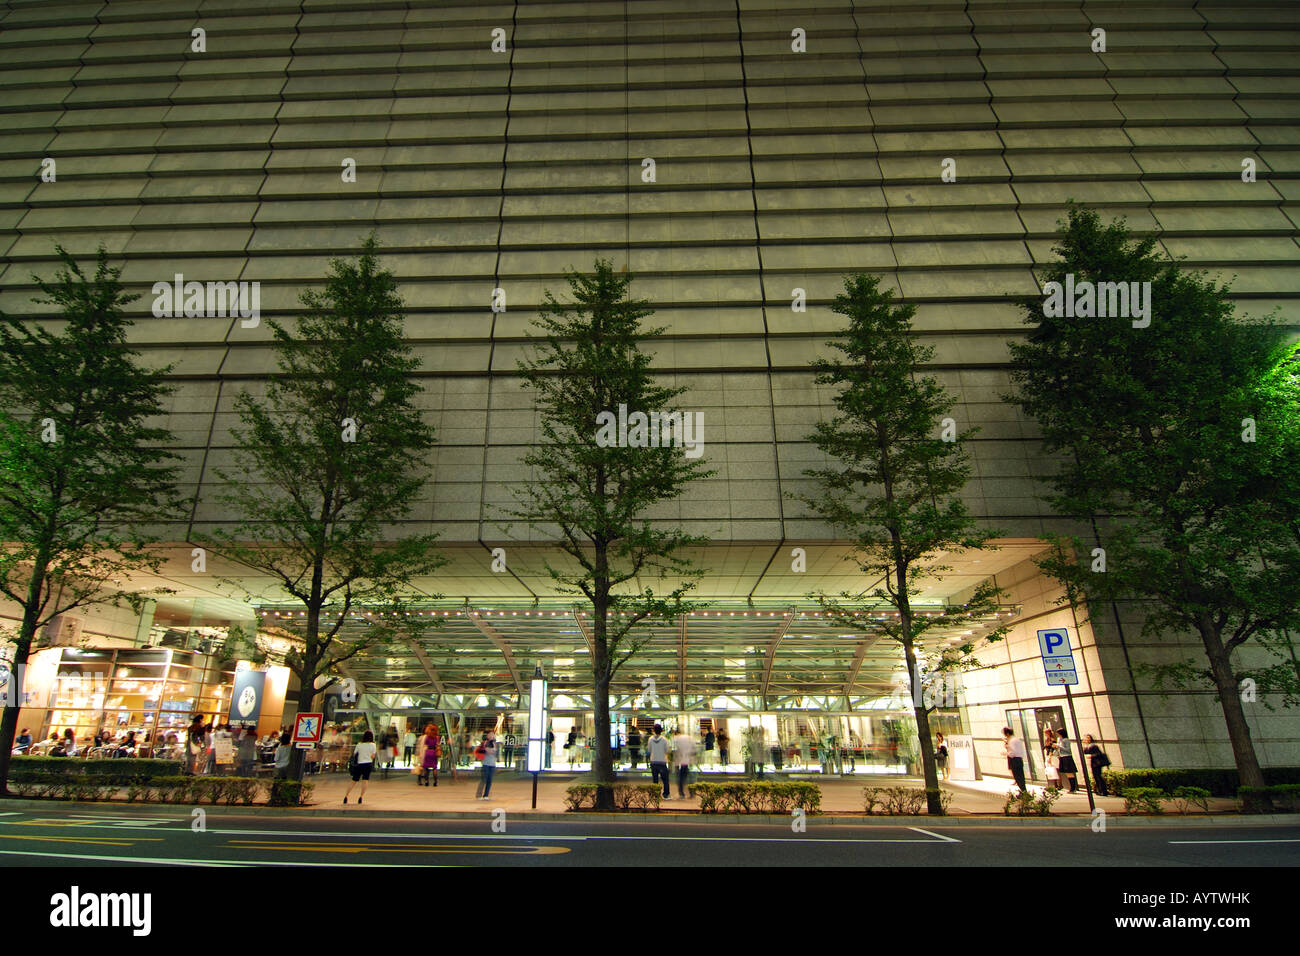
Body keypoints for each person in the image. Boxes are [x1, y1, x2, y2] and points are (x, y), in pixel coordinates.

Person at [344, 730, 377, 804]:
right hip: (368, 764)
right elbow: (373, 756)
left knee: (354, 781)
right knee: (365, 780)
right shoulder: (373, 745)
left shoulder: (359, 744)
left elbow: (355, 754)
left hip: (359, 764)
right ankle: (361, 797)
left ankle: (346, 796)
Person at [645, 724, 671, 798]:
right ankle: (666, 794)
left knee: (655, 779)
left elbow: (649, 750)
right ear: (661, 730)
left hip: (653, 761)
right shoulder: (664, 739)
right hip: (662, 761)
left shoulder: (650, 739)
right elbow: (667, 750)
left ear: (654, 730)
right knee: (665, 779)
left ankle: (655, 793)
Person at [672, 726, 696, 798]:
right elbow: (694, 750)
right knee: (690, 778)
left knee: (680, 778)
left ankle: (681, 793)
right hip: (689, 761)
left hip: (680, 762)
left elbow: (674, 751)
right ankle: (692, 792)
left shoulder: (676, 739)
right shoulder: (689, 738)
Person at [1003, 727, 1027, 792]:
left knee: (1018, 776)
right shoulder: (1016, 739)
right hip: (1019, 759)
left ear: (1007, 733)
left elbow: (1013, 752)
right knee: (1020, 776)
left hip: (1014, 759)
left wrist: (1006, 753)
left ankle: (1024, 791)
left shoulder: (1012, 741)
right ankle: (1023, 791)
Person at [476, 731, 498, 800]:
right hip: (485, 763)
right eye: (490, 735)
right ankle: (479, 795)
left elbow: (495, 752)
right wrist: (488, 750)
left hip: (492, 764)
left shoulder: (495, 744)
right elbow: (484, 750)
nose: (491, 736)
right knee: (483, 779)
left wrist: (489, 750)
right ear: (487, 736)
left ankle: (486, 795)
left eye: (493, 735)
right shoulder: (484, 743)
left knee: (489, 780)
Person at [1055, 728, 1079, 793]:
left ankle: (1073, 788)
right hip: (1062, 757)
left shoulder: (1066, 740)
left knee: (1069, 772)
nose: (1058, 735)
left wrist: (1059, 746)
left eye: (1058, 734)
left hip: (1067, 757)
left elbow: (1068, 749)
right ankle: (1072, 787)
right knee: (1067, 773)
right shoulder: (1060, 740)